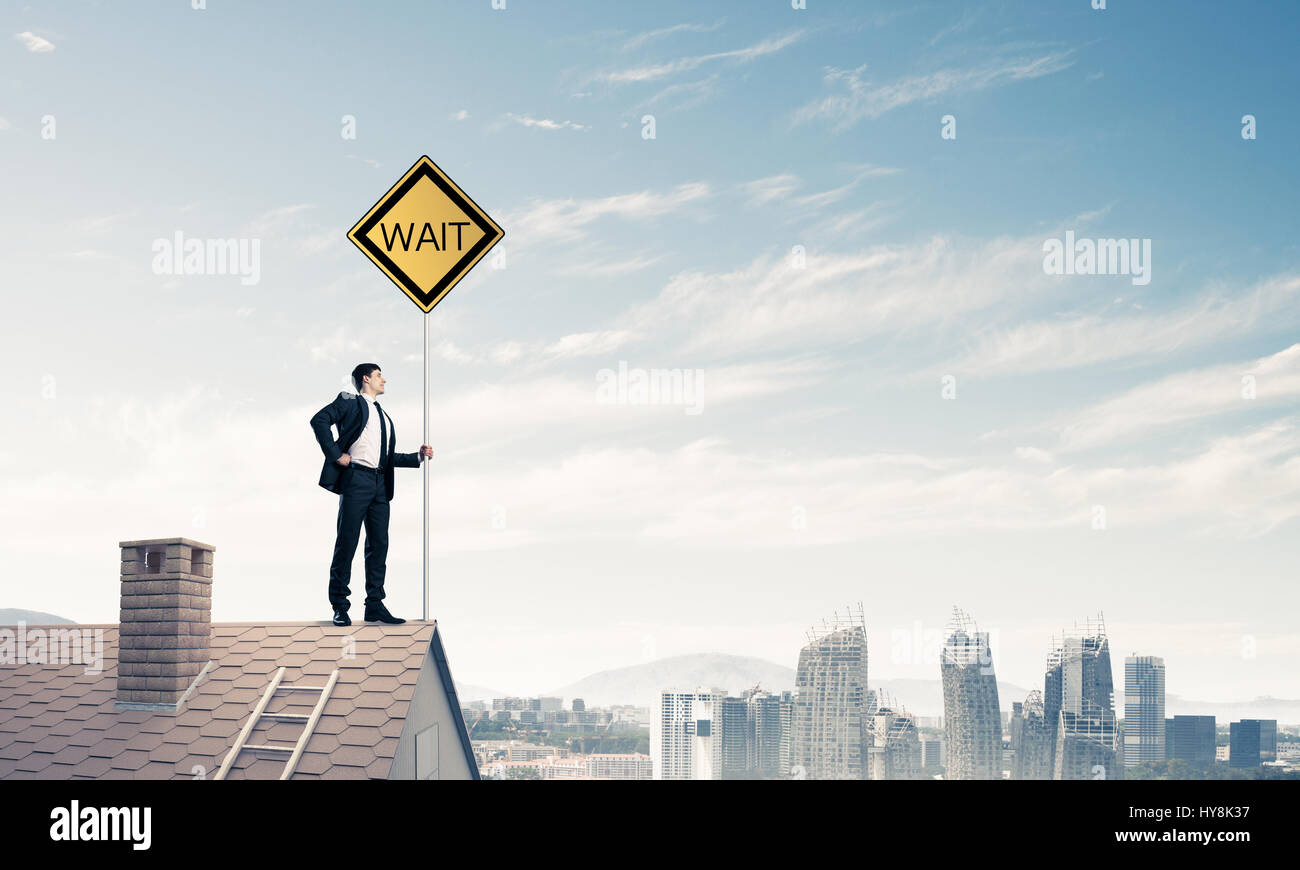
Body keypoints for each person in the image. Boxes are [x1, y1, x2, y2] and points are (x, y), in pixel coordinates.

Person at [309, 363, 433, 626]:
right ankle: (340, 606)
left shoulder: (384, 416)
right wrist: (335, 454)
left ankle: (374, 605)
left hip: (379, 484)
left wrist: (417, 457)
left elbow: (386, 457)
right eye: (379, 375)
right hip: (356, 478)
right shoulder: (349, 401)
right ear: (366, 378)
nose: (384, 380)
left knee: (379, 545)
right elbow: (319, 420)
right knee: (347, 541)